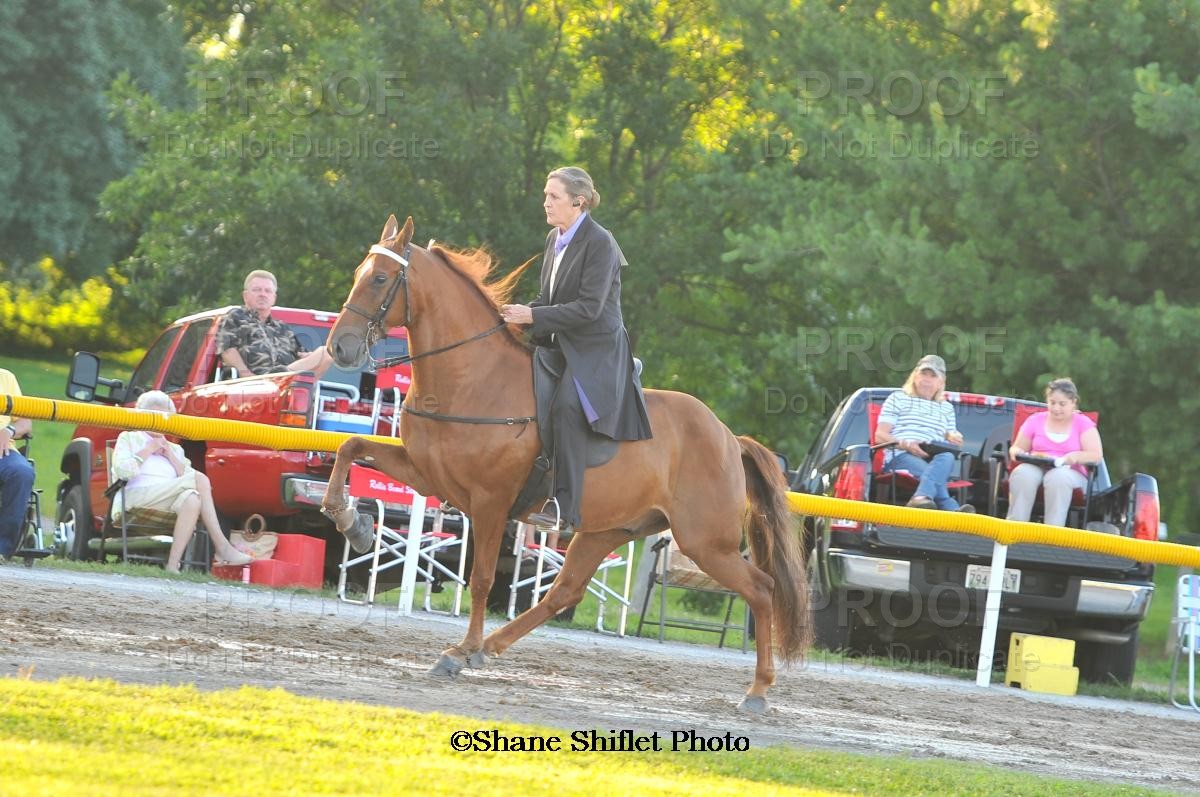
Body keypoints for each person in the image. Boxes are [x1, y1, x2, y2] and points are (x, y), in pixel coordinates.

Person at [500, 166, 653, 533]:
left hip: (597, 351)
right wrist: (512, 316)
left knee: (567, 408)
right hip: (563, 343)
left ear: (578, 201)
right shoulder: (555, 239)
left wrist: (533, 314)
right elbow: (547, 299)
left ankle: (564, 509)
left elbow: (589, 308)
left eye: (553, 196)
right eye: (545, 195)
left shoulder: (602, 243)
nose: (545, 203)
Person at [111, 391, 253, 573]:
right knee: (199, 479)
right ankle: (222, 547)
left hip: (165, 500)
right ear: (142, 416)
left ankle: (172, 565)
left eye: (163, 417)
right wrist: (148, 450)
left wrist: (170, 456)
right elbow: (123, 472)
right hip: (134, 497)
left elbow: (190, 482)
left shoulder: (175, 449)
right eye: (152, 416)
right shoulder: (129, 438)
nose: (157, 421)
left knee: (192, 498)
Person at [874, 354, 973, 512]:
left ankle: (921, 497)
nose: (927, 379)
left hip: (934, 457)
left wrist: (953, 437)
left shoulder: (946, 407)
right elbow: (879, 435)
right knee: (932, 476)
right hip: (901, 455)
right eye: (923, 374)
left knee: (947, 456)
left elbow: (950, 434)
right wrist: (906, 445)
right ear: (914, 376)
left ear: (941, 382)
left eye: (933, 376)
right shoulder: (897, 398)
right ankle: (952, 510)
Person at [1006, 377, 1103, 528]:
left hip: (1069, 470)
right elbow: (1017, 448)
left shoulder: (1083, 423)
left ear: (1073, 403)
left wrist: (1074, 457)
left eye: (1062, 404)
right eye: (1052, 403)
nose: (1056, 408)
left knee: (1058, 478)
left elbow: (1096, 456)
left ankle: (1052, 532)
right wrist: (1018, 452)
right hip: (1037, 464)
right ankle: (1014, 527)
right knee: (1023, 474)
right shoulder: (1035, 420)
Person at [215, 269, 332, 377]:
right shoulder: (235, 317)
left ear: (274, 298)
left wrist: (308, 356)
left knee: (325, 354)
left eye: (268, 291)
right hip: (255, 383)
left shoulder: (283, 328)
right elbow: (227, 350)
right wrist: (247, 376)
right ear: (245, 296)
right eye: (257, 290)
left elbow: (302, 354)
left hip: (285, 385)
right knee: (323, 352)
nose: (262, 294)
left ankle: (303, 392)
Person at [0, 368, 35, 561]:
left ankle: (2, 548)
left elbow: (25, 422)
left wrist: (9, 430)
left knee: (22, 472)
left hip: (3, 450)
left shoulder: (6, 377)